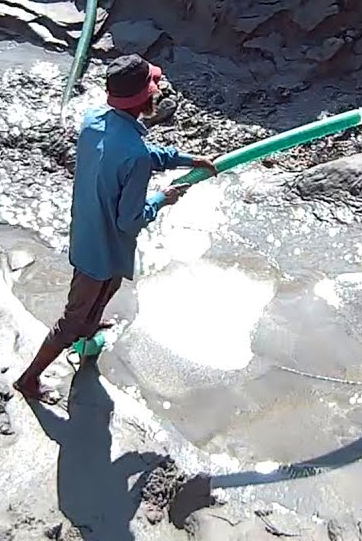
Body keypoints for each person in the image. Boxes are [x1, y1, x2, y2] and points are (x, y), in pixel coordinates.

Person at [13, 54, 216, 403]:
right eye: (154, 87)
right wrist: (162, 199)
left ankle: (90, 325)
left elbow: (136, 153)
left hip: (86, 231)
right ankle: (28, 379)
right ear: (144, 98)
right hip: (103, 250)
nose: (158, 91)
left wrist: (185, 159)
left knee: (107, 289)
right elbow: (130, 220)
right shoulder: (135, 155)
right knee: (71, 321)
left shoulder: (94, 120)